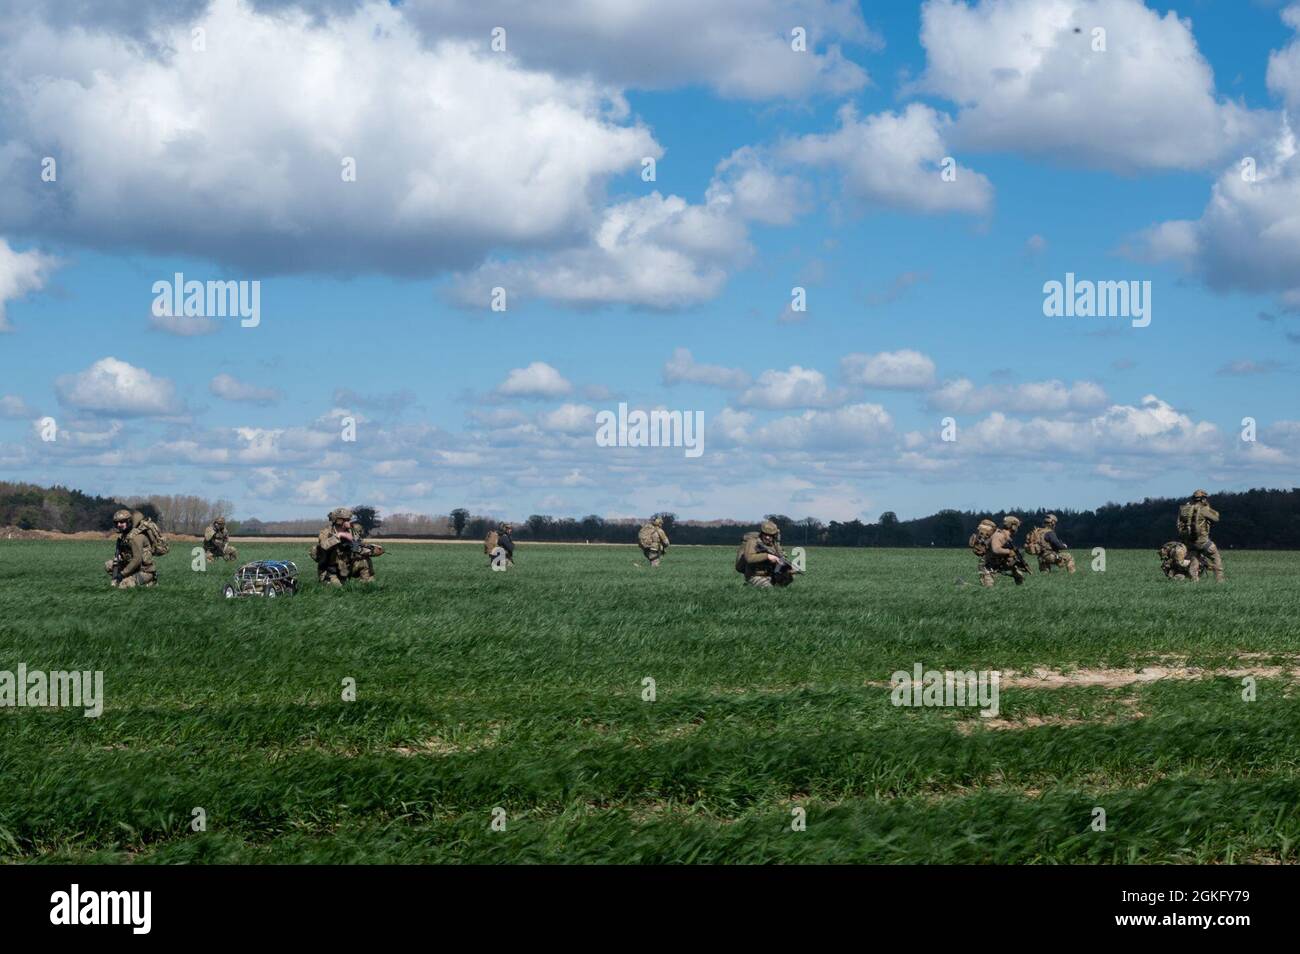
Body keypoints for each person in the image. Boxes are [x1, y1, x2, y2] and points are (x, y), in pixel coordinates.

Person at [1177, 489, 1224, 582]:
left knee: (1194, 559)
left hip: (1189, 541)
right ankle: (1220, 581)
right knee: (1215, 557)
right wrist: (1208, 507)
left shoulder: (1185, 509)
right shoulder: (1203, 509)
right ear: (1203, 499)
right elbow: (1216, 518)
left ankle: (1194, 581)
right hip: (1202, 541)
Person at [104, 509, 158, 588]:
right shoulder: (122, 537)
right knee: (109, 565)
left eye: (122, 522)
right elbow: (118, 558)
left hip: (145, 571)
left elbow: (137, 560)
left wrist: (122, 574)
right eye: (116, 522)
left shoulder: (136, 537)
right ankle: (126, 579)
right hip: (132, 569)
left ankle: (151, 581)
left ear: (128, 522)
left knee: (124, 585)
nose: (119, 525)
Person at [736, 519, 793, 587]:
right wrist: (767, 556)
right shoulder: (752, 542)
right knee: (768, 589)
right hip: (754, 575)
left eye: (770, 535)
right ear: (762, 533)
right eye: (765, 534)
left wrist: (784, 565)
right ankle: (749, 584)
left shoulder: (775, 545)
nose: (767, 537)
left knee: (788, 579)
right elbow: (749, 558)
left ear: (774, 535)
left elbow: (782, 556)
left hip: (770, 574)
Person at [979, 515, 1027, 587]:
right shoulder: (999, 535)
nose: (1017, 528)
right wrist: (1009, 551)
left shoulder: (1006, 537)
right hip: (988, 566)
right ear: (1013, 526)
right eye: (1017, 526)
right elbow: (996, 549)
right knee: (988, 588)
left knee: (1017, 571)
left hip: (999, 563)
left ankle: (1021, 588)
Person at [312, 508, 354, 586]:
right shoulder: (326, 532)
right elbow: (323, 545)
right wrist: (339, 536)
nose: (348, 523)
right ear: (339, 521)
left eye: (349, 520)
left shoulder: (350, 532)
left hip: (343, 570)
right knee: (338, 590)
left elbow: (358, 546)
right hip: (329, 570)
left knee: (347, 590)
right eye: (346, 520)